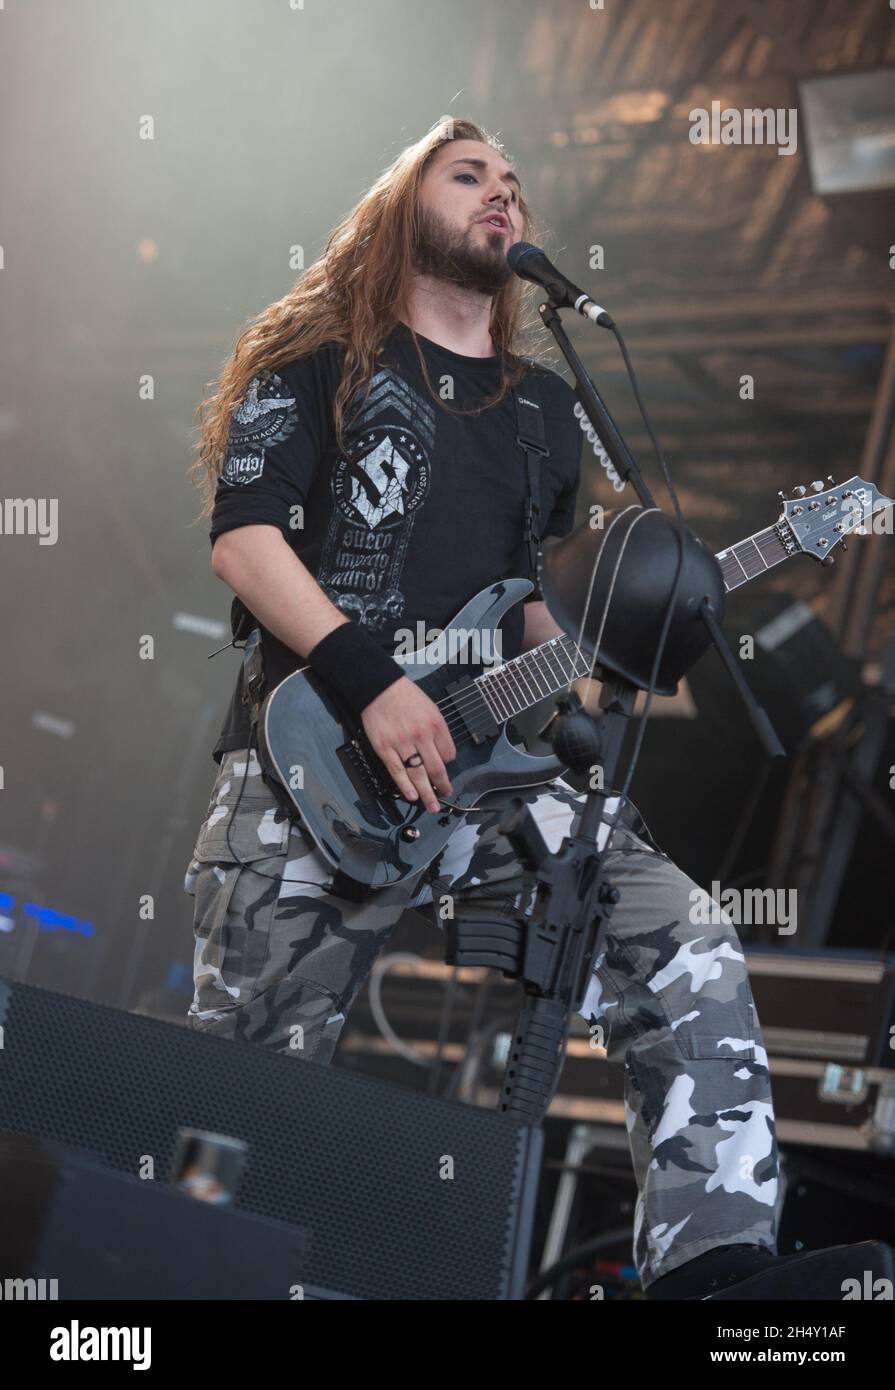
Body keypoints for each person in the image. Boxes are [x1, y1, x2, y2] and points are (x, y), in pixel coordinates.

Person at [184, 116, 795, 1300]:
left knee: (683, 936)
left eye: (514, 182)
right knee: (242, 1093)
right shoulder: (313, 364)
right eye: (469, 175)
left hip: (481, 777)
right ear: (401, 208)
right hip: (308, 767)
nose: (501, 194)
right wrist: (377, 686)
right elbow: (245, 542)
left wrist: (603, 653)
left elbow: (519, 609)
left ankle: (715, 1278)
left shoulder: (547, 416)